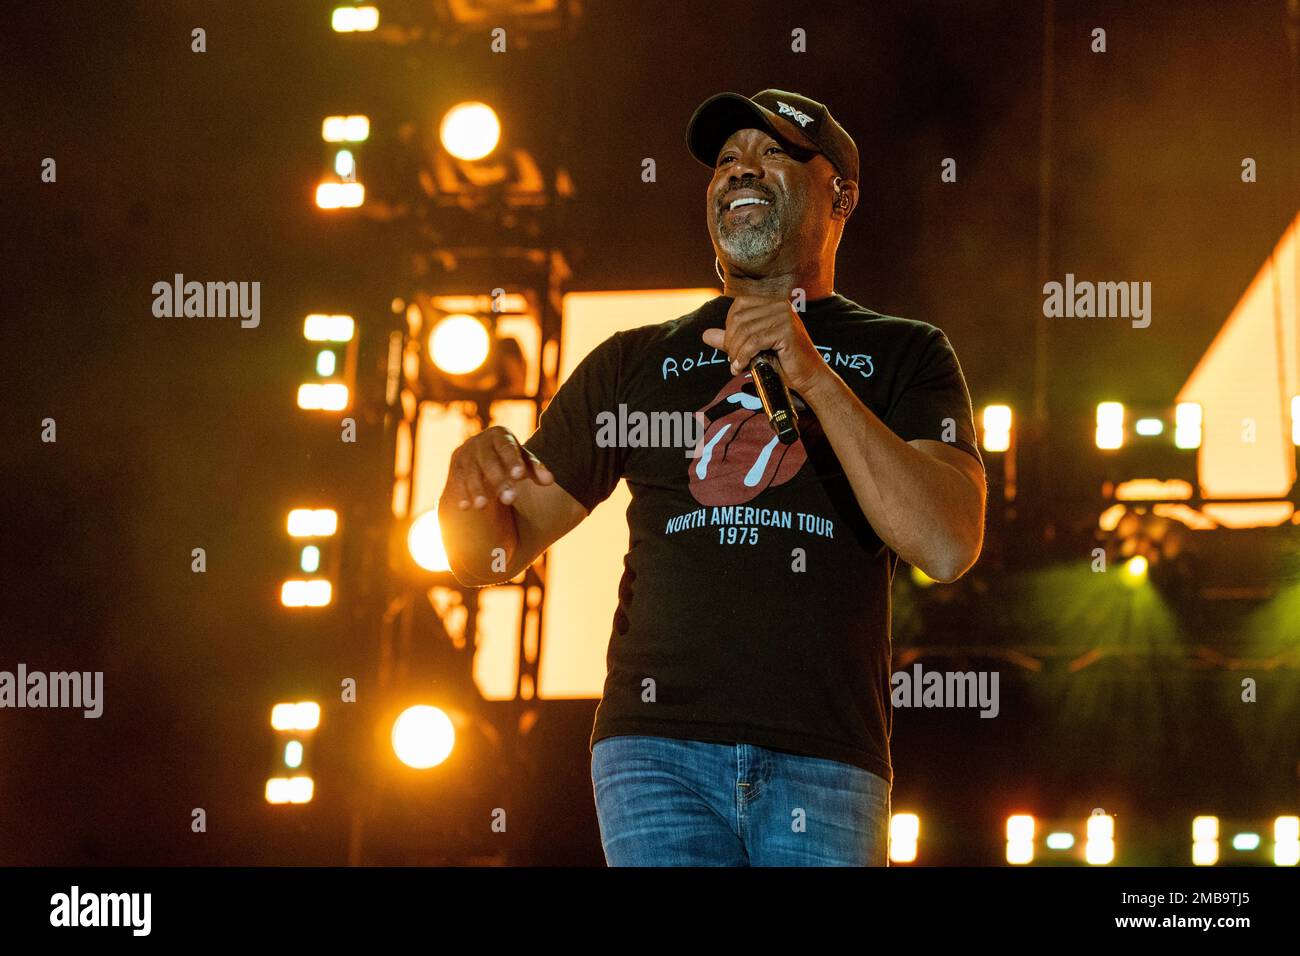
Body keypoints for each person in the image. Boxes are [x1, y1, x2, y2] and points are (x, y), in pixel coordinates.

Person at [439, 89, 986, 866]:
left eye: (773, 153)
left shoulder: (907, 353)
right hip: (656, 750)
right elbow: (491, 553)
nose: (739, 171)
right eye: (726, 160)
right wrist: (463, 489)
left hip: (826, 755)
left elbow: (947, 543)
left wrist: (814, 376)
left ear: (841, 195)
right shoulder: (635, 359)